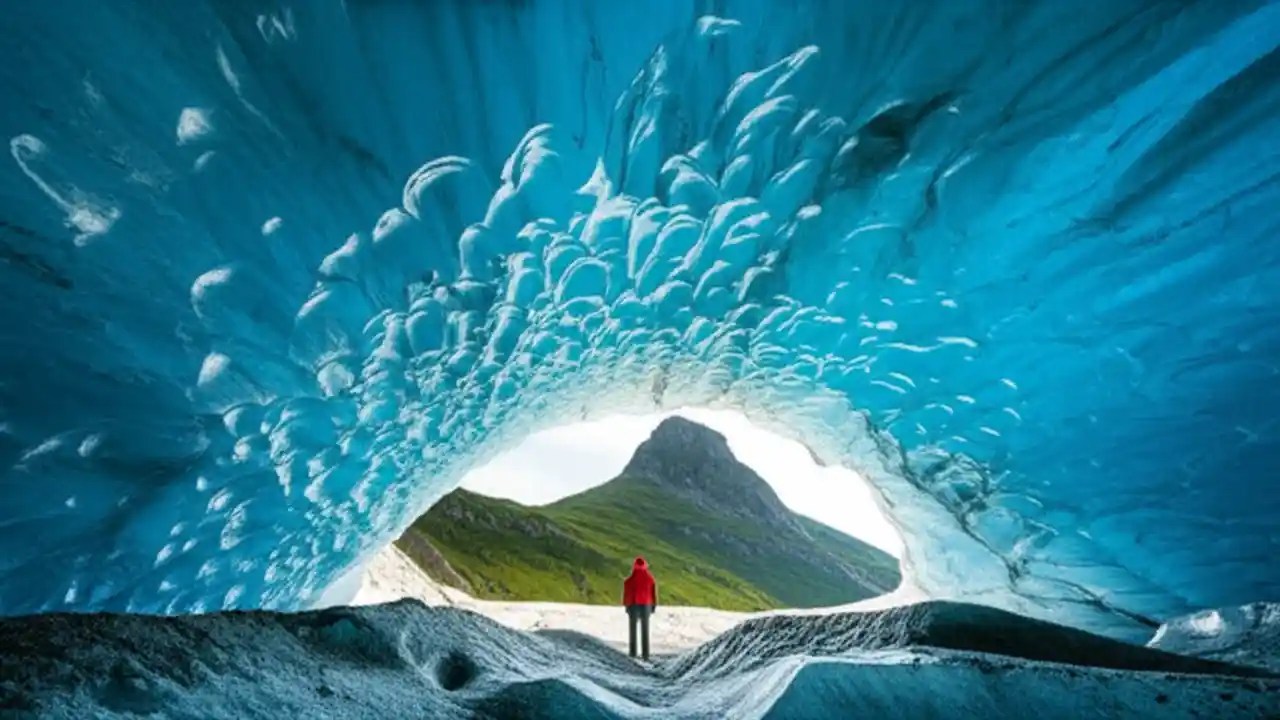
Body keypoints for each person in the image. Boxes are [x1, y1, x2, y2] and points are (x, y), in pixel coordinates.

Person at [622, 556, 658, 660]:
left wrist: (626, 605)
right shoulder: (650, 579)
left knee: (633, 631)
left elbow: (626, 593)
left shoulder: (630, 580)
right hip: (646, 605)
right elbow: (653, 593)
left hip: (633, 605)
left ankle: (633, 654)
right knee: (645, 630)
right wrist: (654, 605)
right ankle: (645, 655)